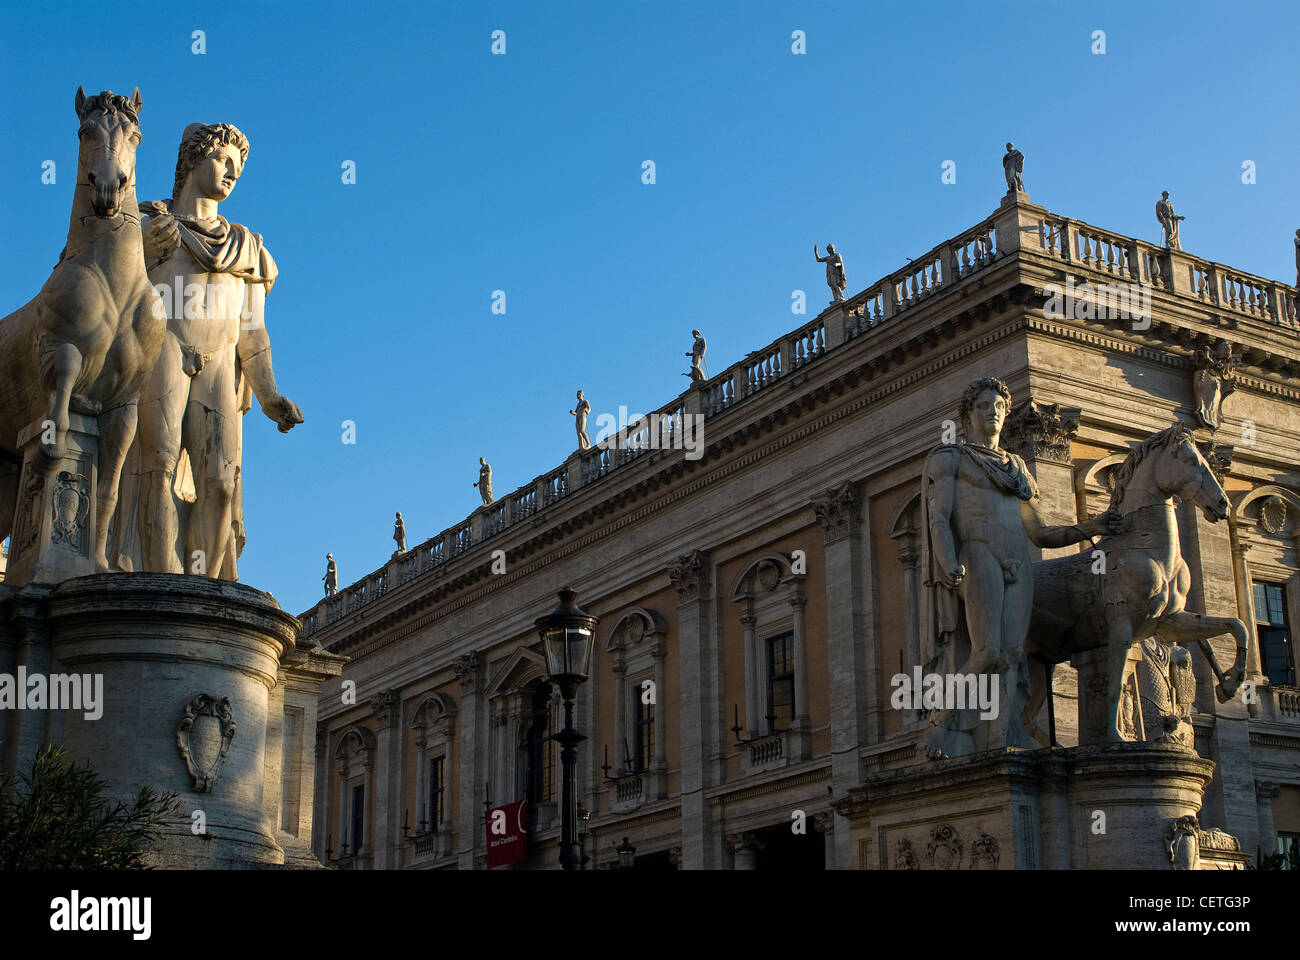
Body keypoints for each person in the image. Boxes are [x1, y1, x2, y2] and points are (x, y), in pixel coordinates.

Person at [921, 377, 1122, 757]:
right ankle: (939, 724)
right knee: (988, 652)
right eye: (983, 406)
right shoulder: (951, 459)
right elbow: (939, 518)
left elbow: (1042, 534)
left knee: (1013, 654)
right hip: (977, 554)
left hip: (1017, 559)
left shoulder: (1016, 470)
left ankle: (1000, 743)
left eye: (998, 407)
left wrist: (1091, 526)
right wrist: (947, 560)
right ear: (968, 414)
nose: (992, 413)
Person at [135, 122, 302, 578]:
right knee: (159, 466)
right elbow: (107, 291)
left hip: (218, 365)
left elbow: (253, 331)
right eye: (223, 160)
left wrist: (269, 395)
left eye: (238, 166)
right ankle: (158, 578)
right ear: (192, 160)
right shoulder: (149, 226)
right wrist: (139, 251)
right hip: (162, 350)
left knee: (222, 484)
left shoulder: (246, 247)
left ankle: (205, 592)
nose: (232, 172)